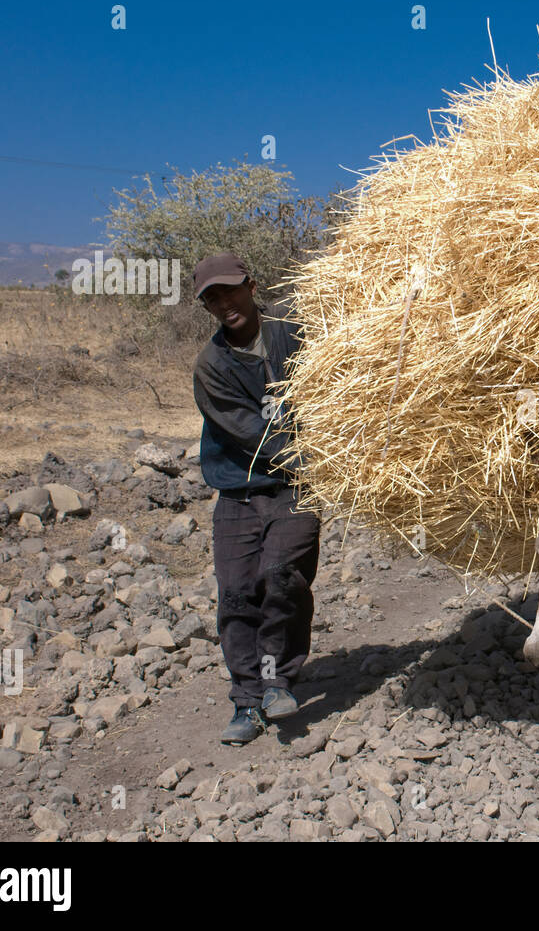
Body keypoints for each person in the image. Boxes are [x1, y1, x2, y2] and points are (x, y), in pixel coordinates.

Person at [191, 253, 320, 744]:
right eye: (212, 299)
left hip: (294, 491)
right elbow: (250, 433)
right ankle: (247, 701)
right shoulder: (212, 366)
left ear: (251, 285)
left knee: (283, 579)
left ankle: (278, 682)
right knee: (237, 592)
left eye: (230, 291)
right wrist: (316, 462)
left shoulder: (295, 334)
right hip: (240, 491)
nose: (225, 305)